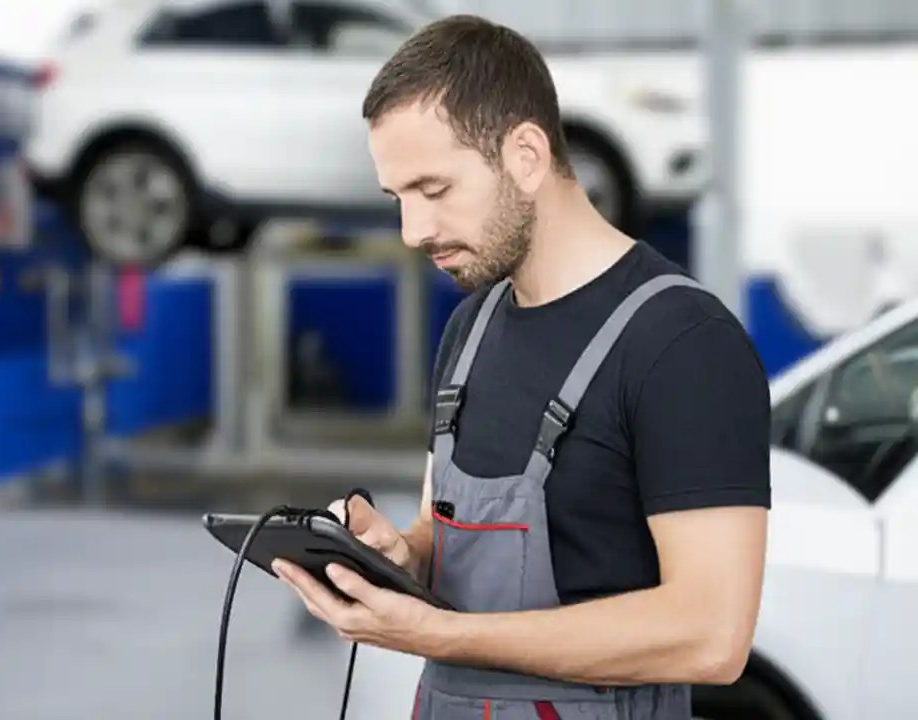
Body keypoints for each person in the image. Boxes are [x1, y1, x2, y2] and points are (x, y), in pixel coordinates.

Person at [271, 15, 771, 720]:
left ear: (527, 155)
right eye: (398, 200)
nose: (413, 231)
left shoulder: (684, 344)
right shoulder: (469, 328)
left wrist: (445, 635)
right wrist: (399, 557)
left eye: (434, 190)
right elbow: (437, 532)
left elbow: (712, 635)